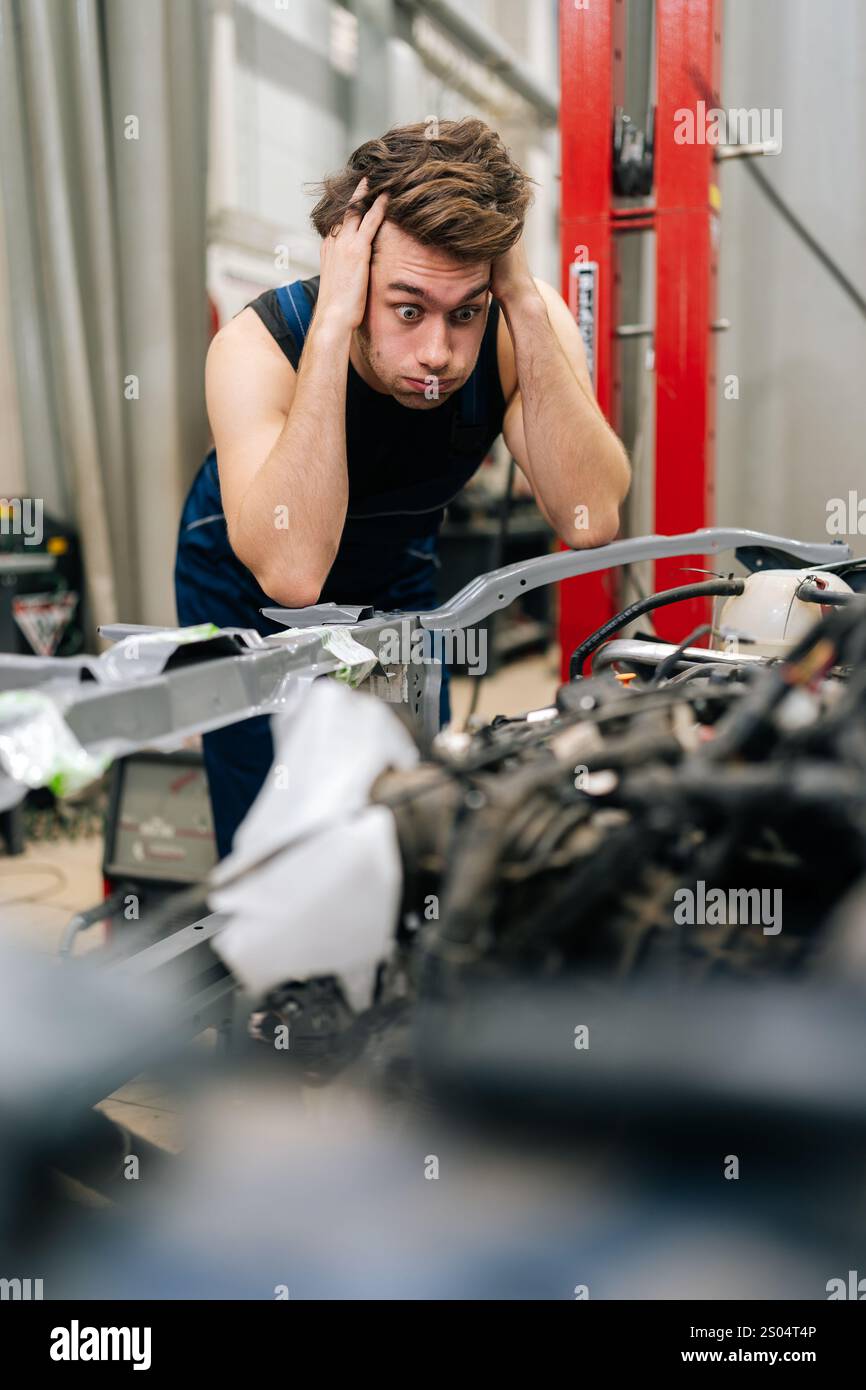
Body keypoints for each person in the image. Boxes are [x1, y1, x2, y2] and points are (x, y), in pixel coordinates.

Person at [175, 118, 630, 858]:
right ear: (352, 277)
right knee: (271, 829)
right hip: (243, 591)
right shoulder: (260, 348)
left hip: (397, 577)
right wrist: (332, 328)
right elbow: (292, 574)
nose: (439, 355)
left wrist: (517, 297)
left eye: (466, 314)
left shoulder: (516, 319)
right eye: (408, 309)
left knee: (410, 805)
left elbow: (590, 517)